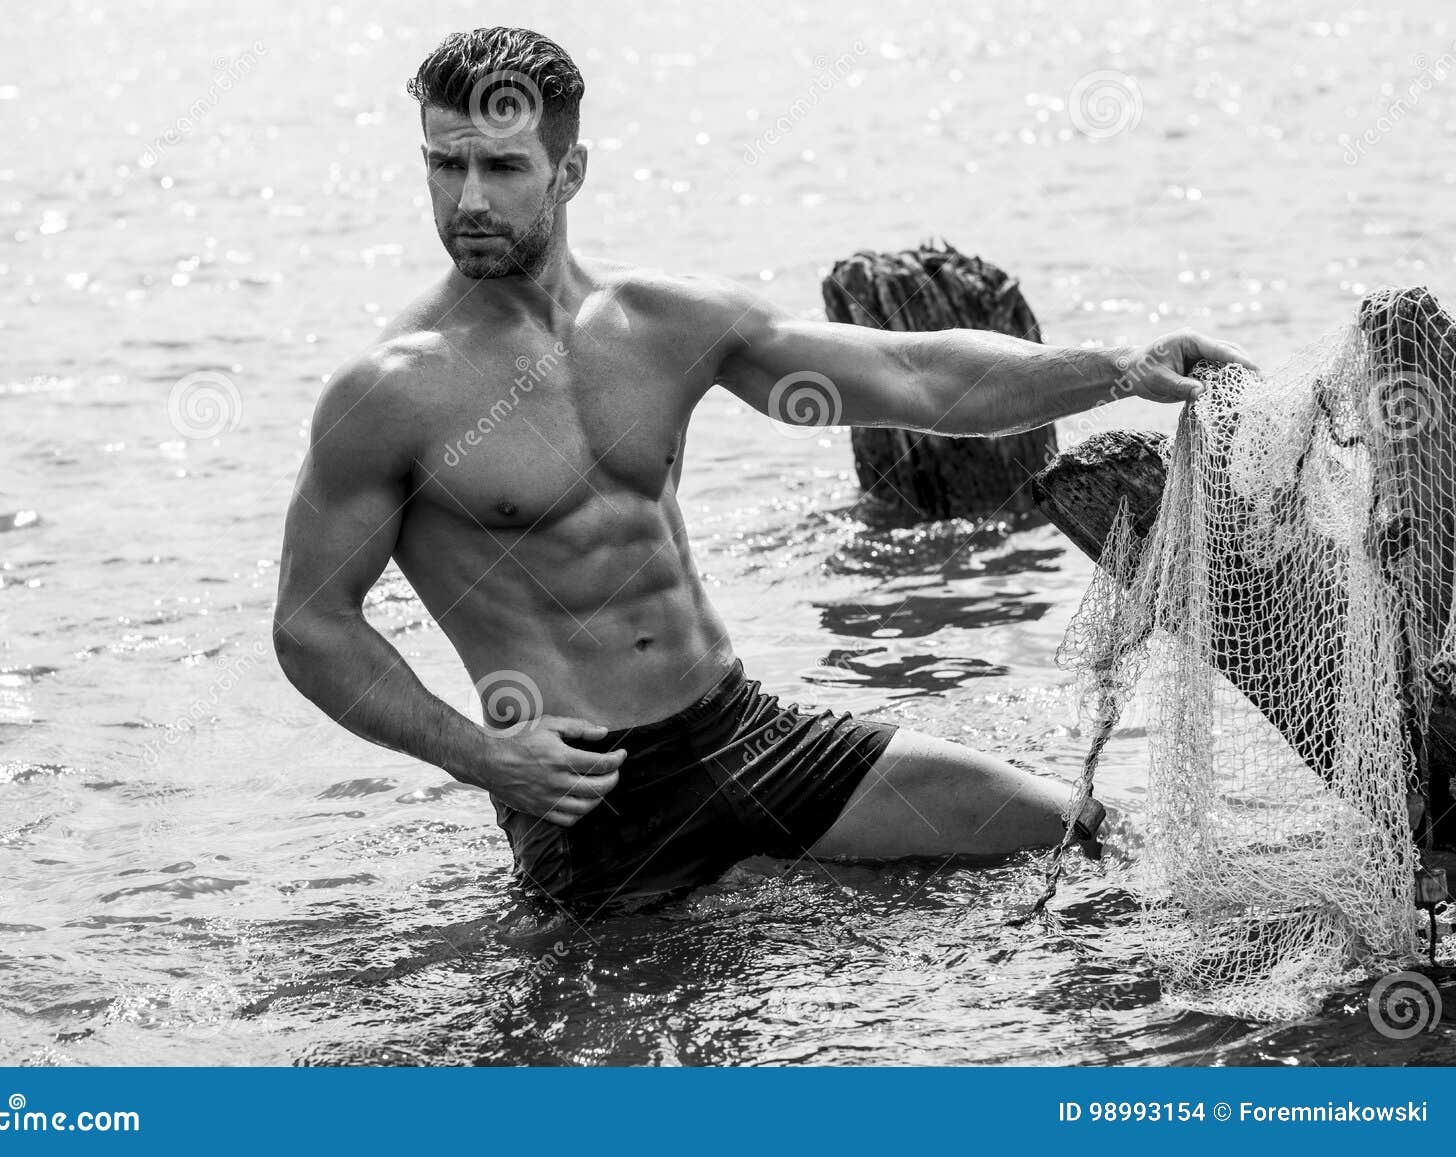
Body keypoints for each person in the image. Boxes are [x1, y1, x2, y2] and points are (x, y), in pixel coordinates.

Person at [272, 26, 1258, 917]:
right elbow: (312, 621)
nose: (469, 198)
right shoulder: (392, 392)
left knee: (1092, 837)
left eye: (501, 165)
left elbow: (914, 376)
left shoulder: (663, 324)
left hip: (748, 733)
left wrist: (1120, 369)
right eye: (445, 165)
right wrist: (479, 754)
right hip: (591, 799)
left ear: (569, 170)